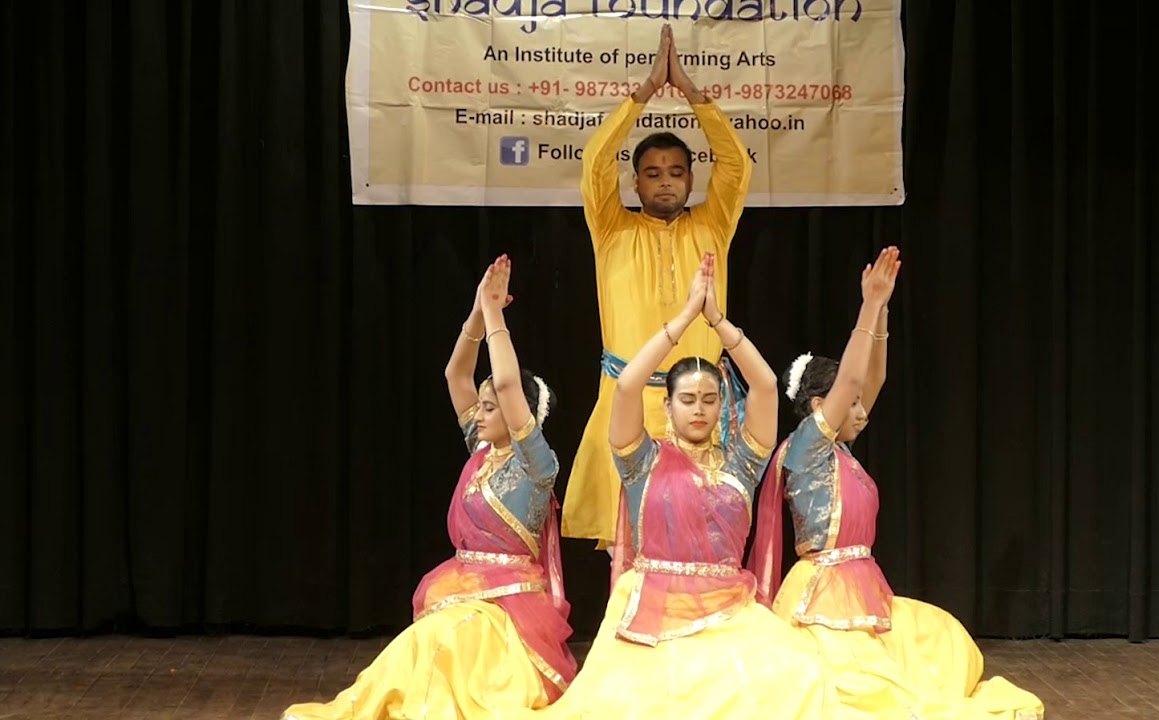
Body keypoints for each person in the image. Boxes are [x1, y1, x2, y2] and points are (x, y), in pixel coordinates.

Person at [514, 255, 829, 719]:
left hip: (730, 616)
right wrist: (682, 320)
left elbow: (763, 385)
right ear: (668, 404)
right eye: (687, 399)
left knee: (802, 678)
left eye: (709, 399)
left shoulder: (742, 463)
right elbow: (624, 388)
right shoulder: (642, 461)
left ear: (722, 403)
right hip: (652, 614)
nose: (698, 409)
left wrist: (717, 321)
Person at [748, 247, 1045, 720]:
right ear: (821, 405)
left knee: (942, 641)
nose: (863, 413)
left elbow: (872, 376)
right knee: (861, 688)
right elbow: (851, 381)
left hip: (861, 583)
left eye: (863, 405)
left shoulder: (838, 450)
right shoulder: (807, 446)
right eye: (852, 405)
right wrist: (868, 306)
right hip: (824, 592)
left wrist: (882, 310)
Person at [282, 255, 577, 720]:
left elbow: (503, 380)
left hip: (509, 612)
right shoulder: (480, 452)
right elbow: (456, 375)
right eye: (479, 407)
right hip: (462, 592)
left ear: (522, 416)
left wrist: (496, 311)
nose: (479, 414)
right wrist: (477, 315)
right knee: (423, 643)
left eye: (491, 408)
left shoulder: (537, 465)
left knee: (450, 645)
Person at [561, 24, 753, 552]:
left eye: (675, 171)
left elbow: (735, 163)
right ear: (636, 183)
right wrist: (644, 91)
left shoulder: (711, 224)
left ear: (691, 180)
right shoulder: (611, 229)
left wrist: (690, 92)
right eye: (651, 173)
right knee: (627, 538)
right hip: (629, 401)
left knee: (699, 533)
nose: (664, 180)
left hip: (699, 405)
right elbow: (596, 163)